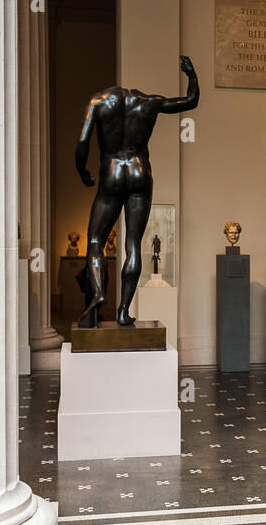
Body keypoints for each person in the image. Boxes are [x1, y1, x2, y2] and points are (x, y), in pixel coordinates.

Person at [73, 55, 199, 327]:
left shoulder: (98, 101)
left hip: (112, 173)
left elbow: (82, 140)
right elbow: (190, 101)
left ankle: (97, 293)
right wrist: (191, 74)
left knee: (95, 240)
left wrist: (82, 171)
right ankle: (123, 311)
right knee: (132, 244)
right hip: (140, 173)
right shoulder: (148, 102)